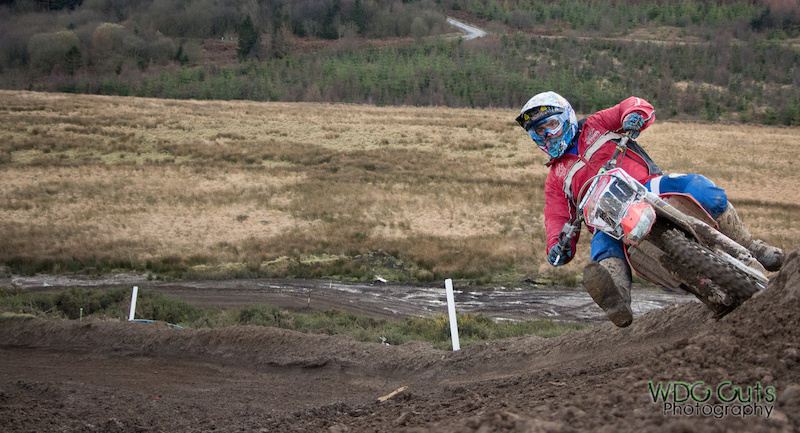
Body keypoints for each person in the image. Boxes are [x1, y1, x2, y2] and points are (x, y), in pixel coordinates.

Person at [516, 91, 785, 327]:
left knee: (700, 188)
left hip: (645, 187)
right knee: (604, 253)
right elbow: (555, 218)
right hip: (607, 221)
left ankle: (753, 247)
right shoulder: (556, 179)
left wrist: (633, 115)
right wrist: (558, 246)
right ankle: (617, 300)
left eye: (551, 124)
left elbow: (630, 105)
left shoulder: (596, 125)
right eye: (539, 131)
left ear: (567, 117)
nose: (548, 134)